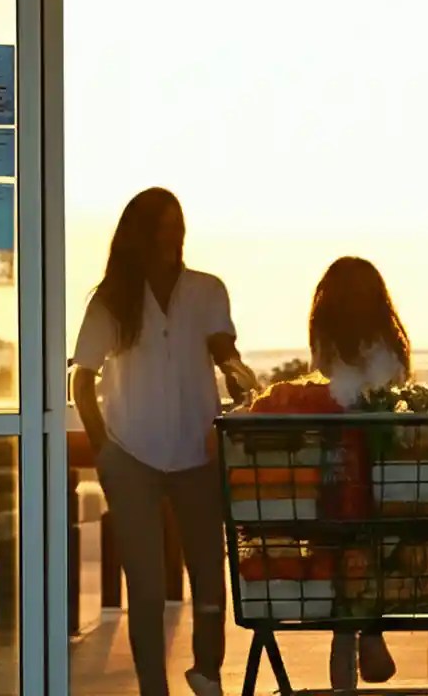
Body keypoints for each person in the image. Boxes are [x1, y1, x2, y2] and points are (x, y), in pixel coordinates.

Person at [72, 187, 259, 696]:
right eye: (164, 226)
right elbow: (81, 379)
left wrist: (241, 376)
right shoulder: (112, 300)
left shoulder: (207, 290)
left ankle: (208, 672)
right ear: (140, 234)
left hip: (197, 453)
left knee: (209, 577)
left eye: (179, 226)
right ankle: (153, 688)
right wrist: (103, 449)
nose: (174, 236)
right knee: (148, 588)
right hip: (131, 456)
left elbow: (225, 350)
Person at [245, 256, 408, 690]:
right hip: (379, 492)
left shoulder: (328, 345)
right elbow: (391, 396)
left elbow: (328, 392)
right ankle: (372, 638)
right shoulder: (388, 347)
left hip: (328, 492)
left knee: (340, 600)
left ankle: (350, 672)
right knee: (368, 568)